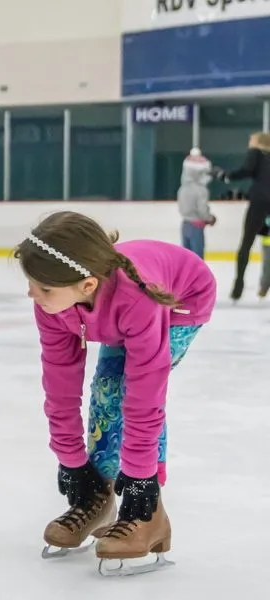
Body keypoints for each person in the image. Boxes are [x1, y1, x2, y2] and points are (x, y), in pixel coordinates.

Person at [15, 211, 216, 576]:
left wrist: (141, 476)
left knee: (125, 392)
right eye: (32, 283)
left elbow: (146, 396)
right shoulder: (54, 302)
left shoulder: (136, 298)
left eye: (43, 288)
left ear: (87, 286)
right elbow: (59, 383)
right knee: (106, 390)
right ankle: (99, 495)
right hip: (119, 310)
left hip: (180, 301)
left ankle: (149, 514)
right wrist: (72, 460)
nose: (32, 293)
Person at [221, 132, 270, 301]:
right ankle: (265, 285)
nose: (249, 142)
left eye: (251, 139)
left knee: (246, 243)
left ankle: (238, 287)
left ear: (258, 142)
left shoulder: (255, 153)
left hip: (259, 204)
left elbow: (246, 170)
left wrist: (226, 176)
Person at [175, 148, 217, 259]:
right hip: (196, 227)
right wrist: (210, 218)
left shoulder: (182, 189)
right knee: (197, 259)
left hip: (185, 225)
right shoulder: (201, 190)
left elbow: (181, 207)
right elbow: (202, 211)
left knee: (186, 258)